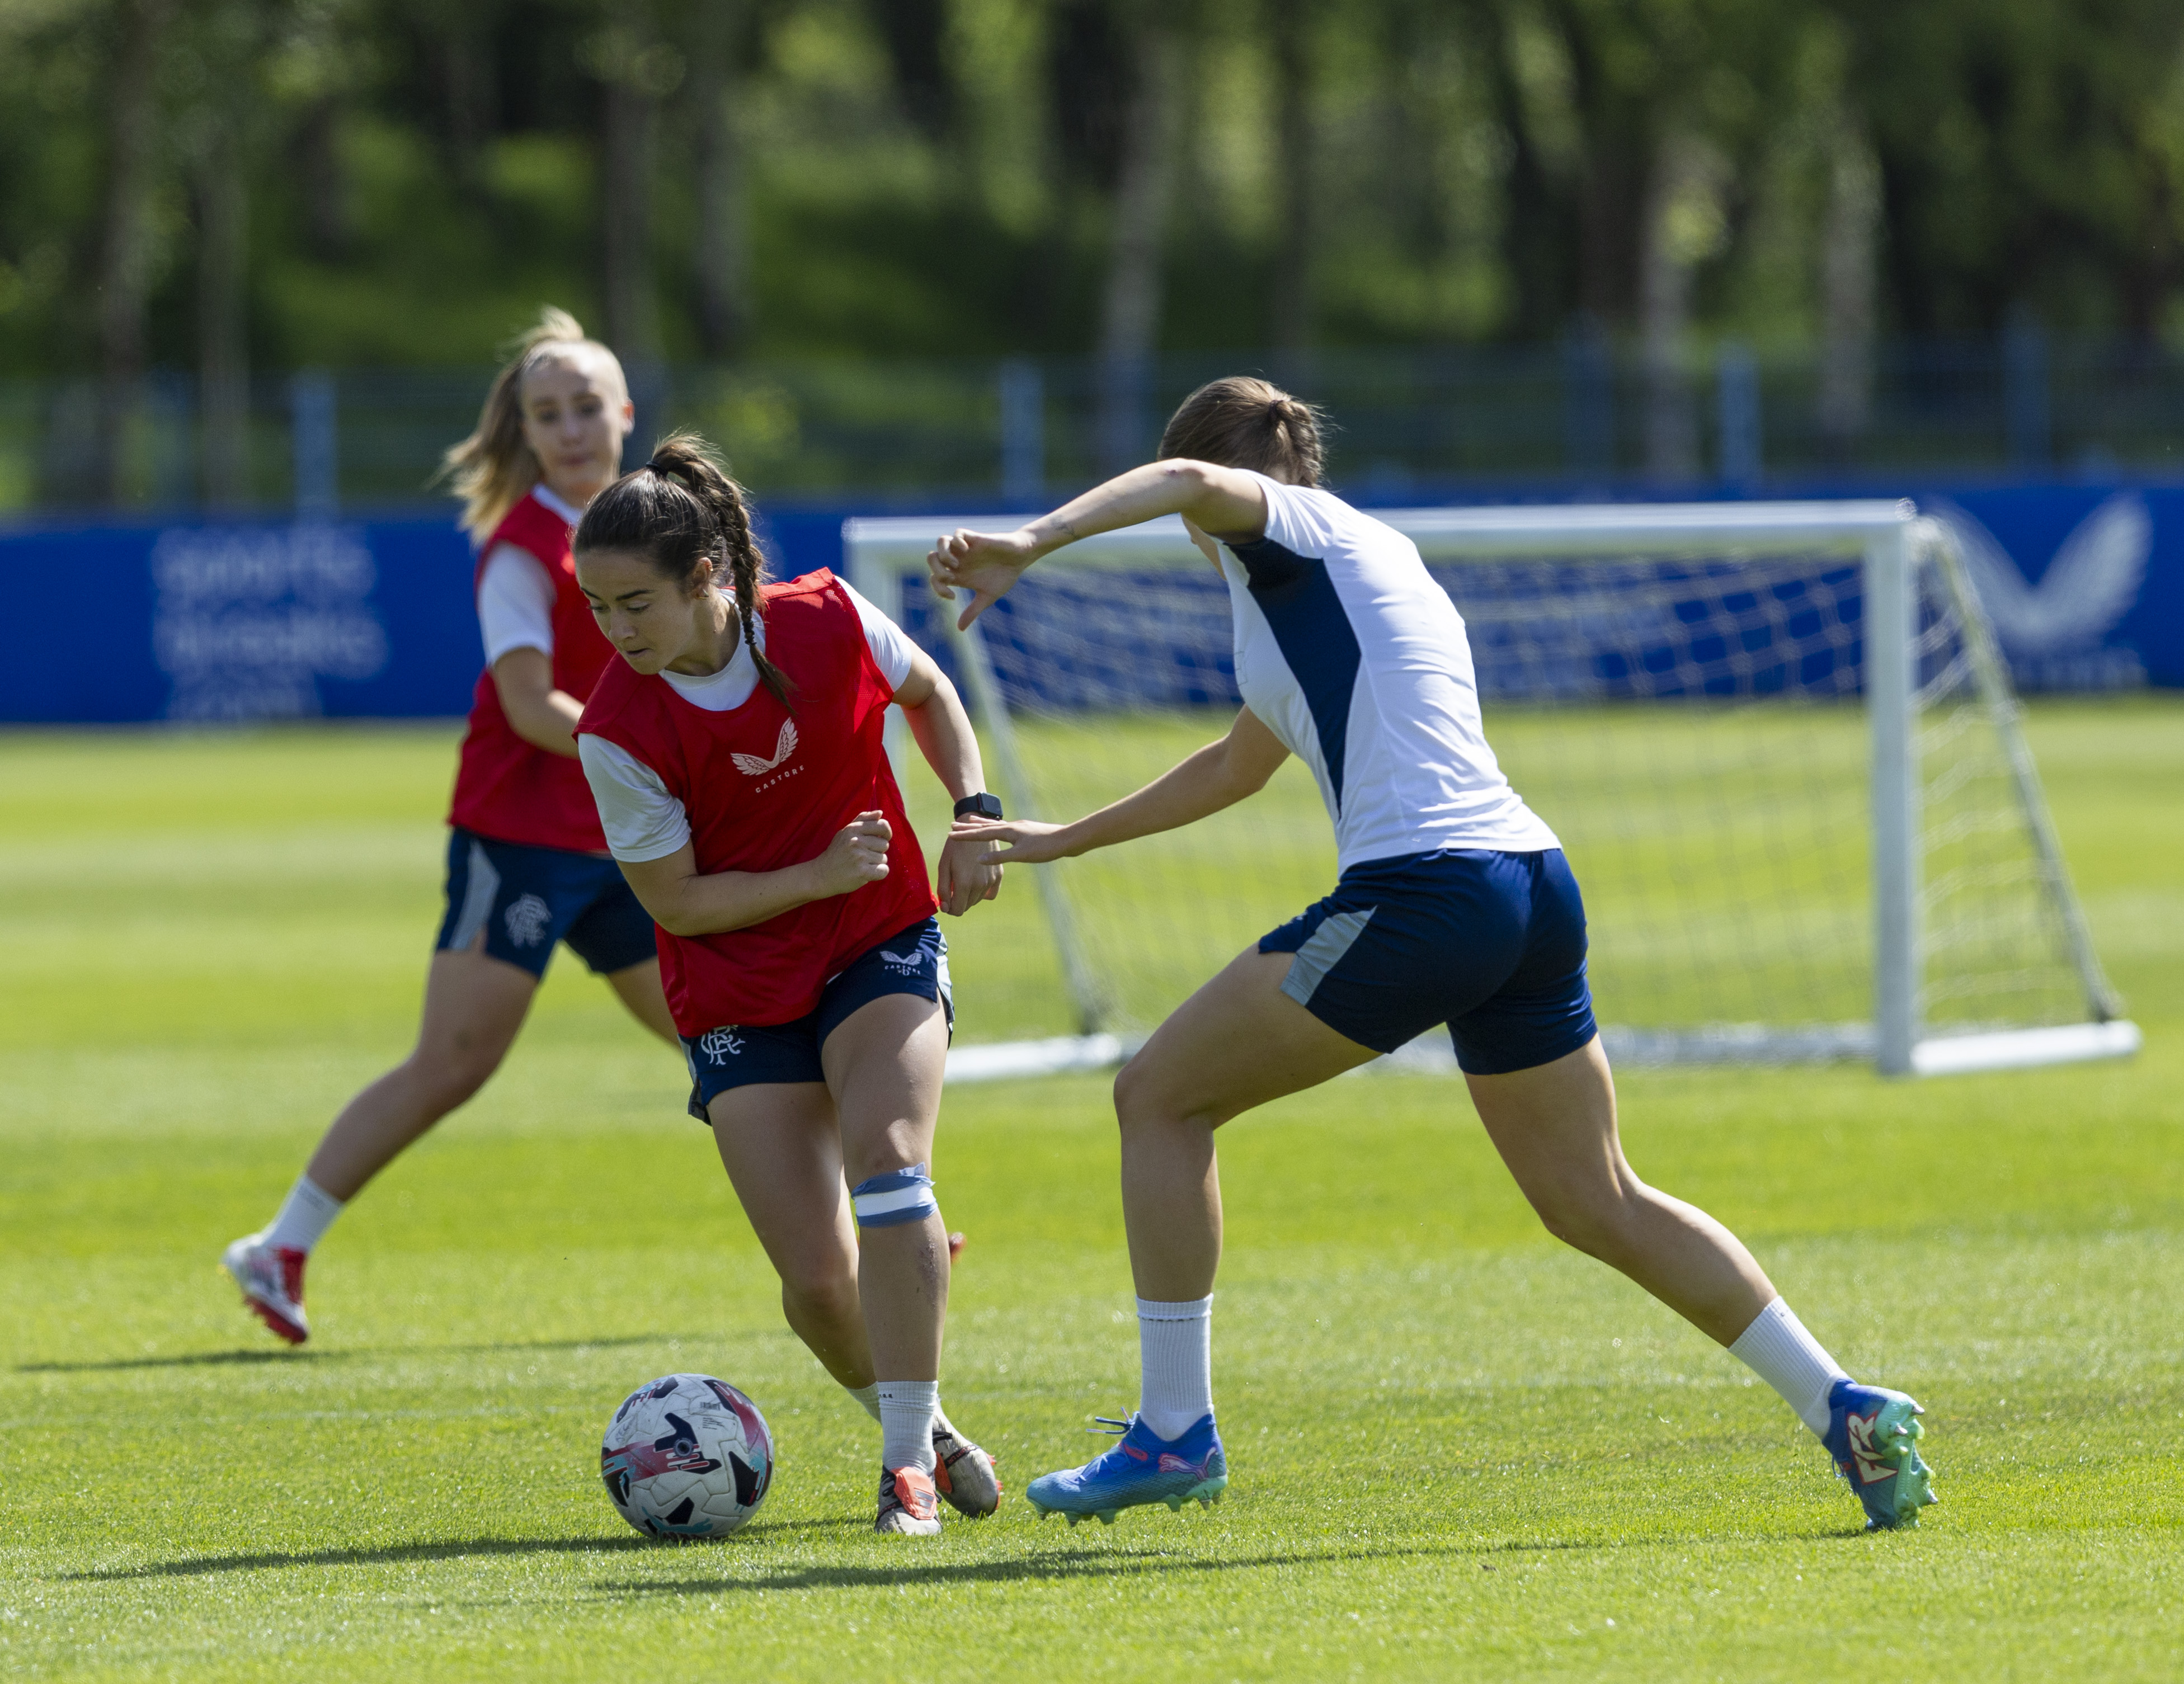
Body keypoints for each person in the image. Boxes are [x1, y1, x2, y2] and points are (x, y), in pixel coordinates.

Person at [928, 375, 1939, 1535]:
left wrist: (1032, 541)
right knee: (1594, 1197)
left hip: (1431, 893)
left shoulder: (1291, 530)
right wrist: (1061, 838)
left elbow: (1195, 479)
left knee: (1158, 1097)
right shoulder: (1349, 570)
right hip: (1529, 885)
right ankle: (1840, 1404)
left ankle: (1172, 1433)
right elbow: (1237, 765)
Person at [572, 432, 1006, 1537]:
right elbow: (677, 904)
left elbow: (930, 693)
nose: (617, 632)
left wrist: (971, 813)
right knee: (816, 1283)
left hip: (877, 937)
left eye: (636, 604)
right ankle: (928, 1428)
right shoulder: (616, 729)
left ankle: (902, 1473)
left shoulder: (824, 617)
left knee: (890, 1163)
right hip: (735, 988)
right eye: (597, 609)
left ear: (707, 575)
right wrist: (815, 873)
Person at [223, 309, 678, 1345]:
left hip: (628, 837)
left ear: (625, 413)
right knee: (455, 1062)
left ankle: (867, 1227)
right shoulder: (522, 548)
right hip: (523, 838)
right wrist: (662, 760)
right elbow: (528, 706)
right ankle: (278, 1246)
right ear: (525, 430)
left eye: (585, 407)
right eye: (546, 414)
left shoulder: (663, 524)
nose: (569, 429)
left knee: (726, 1039)